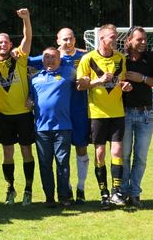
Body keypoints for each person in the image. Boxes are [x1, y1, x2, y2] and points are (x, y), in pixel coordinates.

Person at [77, 24, 133, 208]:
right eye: (112, 37)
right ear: (101, 39)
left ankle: (117, 192)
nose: (115, 40)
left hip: (117, 112)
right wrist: (98, 80)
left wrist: (126, 86)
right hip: (97, 113)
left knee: (117, 152)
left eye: (116, 37)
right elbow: (80, 85)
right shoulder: (88, 59)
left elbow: (121, 81)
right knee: (100, 153)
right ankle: (104, 193)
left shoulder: (120, 59)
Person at [120, 26, 153, 208]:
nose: (143, 43)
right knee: (123, 156)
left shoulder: (152, 58)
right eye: (139, 39)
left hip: (146, 114)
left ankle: (135, 193)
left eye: (145, 39)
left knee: (141, 157)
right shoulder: (120, 59)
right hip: (123, 113)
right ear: (129, 41)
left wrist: (143, 79)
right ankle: (123, 193)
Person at [0, 9, 35, 205]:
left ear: (11, 45)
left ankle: (28, 189)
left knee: (26, 151)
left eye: (6, 42)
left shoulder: (20, 58)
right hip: (5, 116)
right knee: (7, 154)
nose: (3, 45)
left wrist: (25, 18)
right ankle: (10, 188)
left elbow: (27, 37)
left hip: (24, 114)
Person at [29, 47, 75, 207]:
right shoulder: (34, 79)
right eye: (46, 57)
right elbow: (30, 100)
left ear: (59, 59)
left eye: (53, 57)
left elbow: (81, 62)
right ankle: (49, 197)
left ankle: (64, 197)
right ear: (42, 60)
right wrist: (29, 103)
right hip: (41, 129)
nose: (50, 60)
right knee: (45, 164)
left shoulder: (69, 73)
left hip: (63, 127)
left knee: (63, 163)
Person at [55, 28, 91, 202]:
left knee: (81, 148)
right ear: (58, 41)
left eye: (70, 39)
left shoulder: (85, 57)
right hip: (61, 113)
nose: (67, 42)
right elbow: (27, 60)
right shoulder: (52, 58)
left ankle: (81, 188)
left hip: (79, 112)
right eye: (64, 39)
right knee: (63, 152)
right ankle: (66, 187)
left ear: (75, 41)